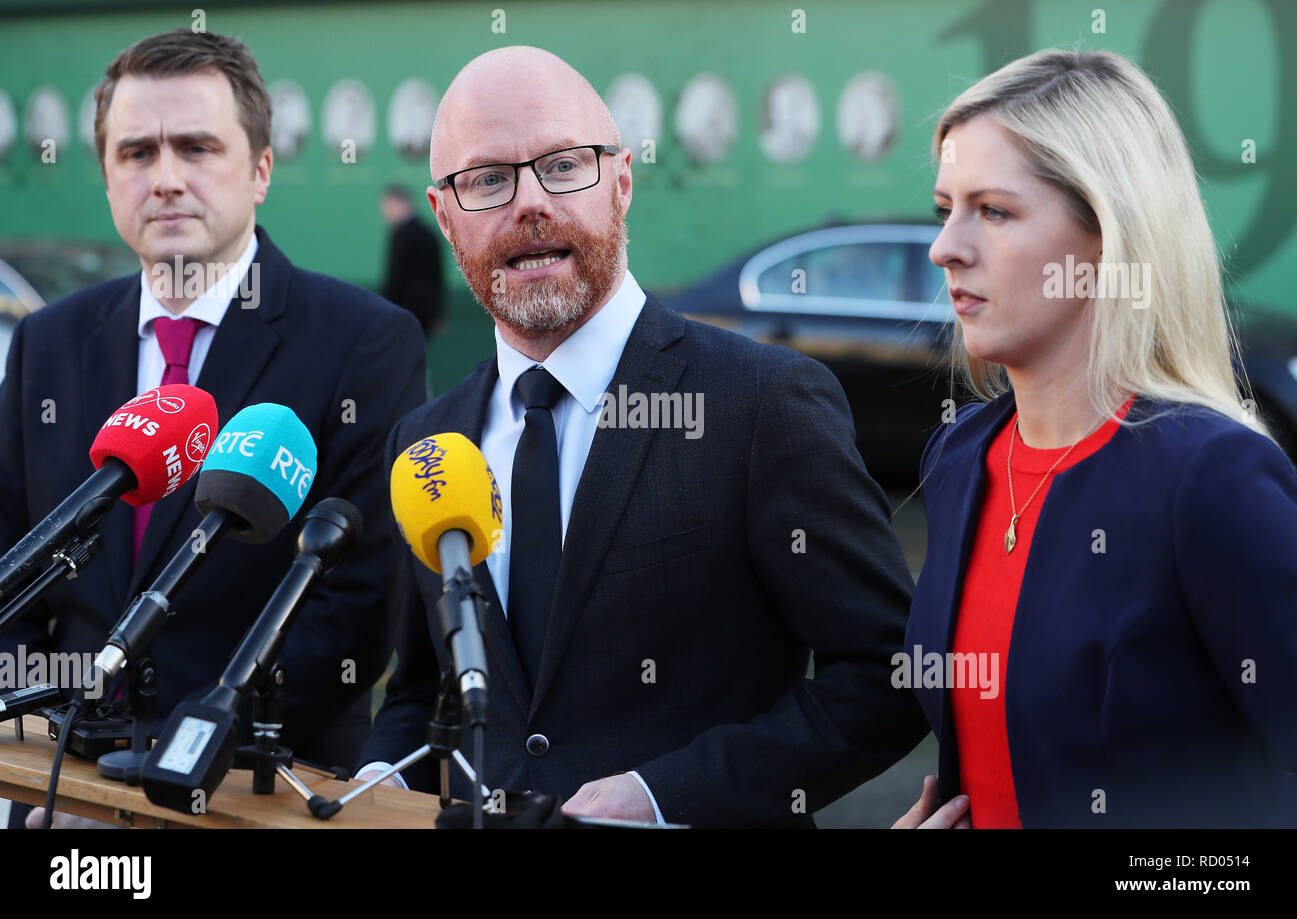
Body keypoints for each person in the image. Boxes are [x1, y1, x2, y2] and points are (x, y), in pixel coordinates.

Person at [356, 46, 928, 827]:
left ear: (622, 181)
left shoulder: (761, 402)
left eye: (563, 164)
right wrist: (384, 777)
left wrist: (667, 795)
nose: (529, 201)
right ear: (444, 213)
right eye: (488, 178)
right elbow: (425, 690)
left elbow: (892, 673)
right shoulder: (426, 442)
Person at [0, 29, 426, 827]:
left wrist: (176, 756)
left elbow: (358, 608)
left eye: (196, 147)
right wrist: (50, 743)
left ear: (260, 169)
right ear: (105, 173)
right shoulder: (47, 341)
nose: (165, 179)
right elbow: (13, 572)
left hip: (257, 791)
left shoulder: (363, 340)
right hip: (56, 786)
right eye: (136, 153)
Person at [896, 48, 1297, 828]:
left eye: (994, 210)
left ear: (1107, 240)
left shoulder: (1210, 474)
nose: (946, 246)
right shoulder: (959, 456)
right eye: (944, 207)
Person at [380, 184, 446, 339]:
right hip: (426, 313)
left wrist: (384, 308)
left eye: (388, 207)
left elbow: (395, 276)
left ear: (402, 203)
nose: (386, 213)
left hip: (402, 311)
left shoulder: (401, 235)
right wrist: (437, 312)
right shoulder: (429, 232)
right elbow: (438, 276)